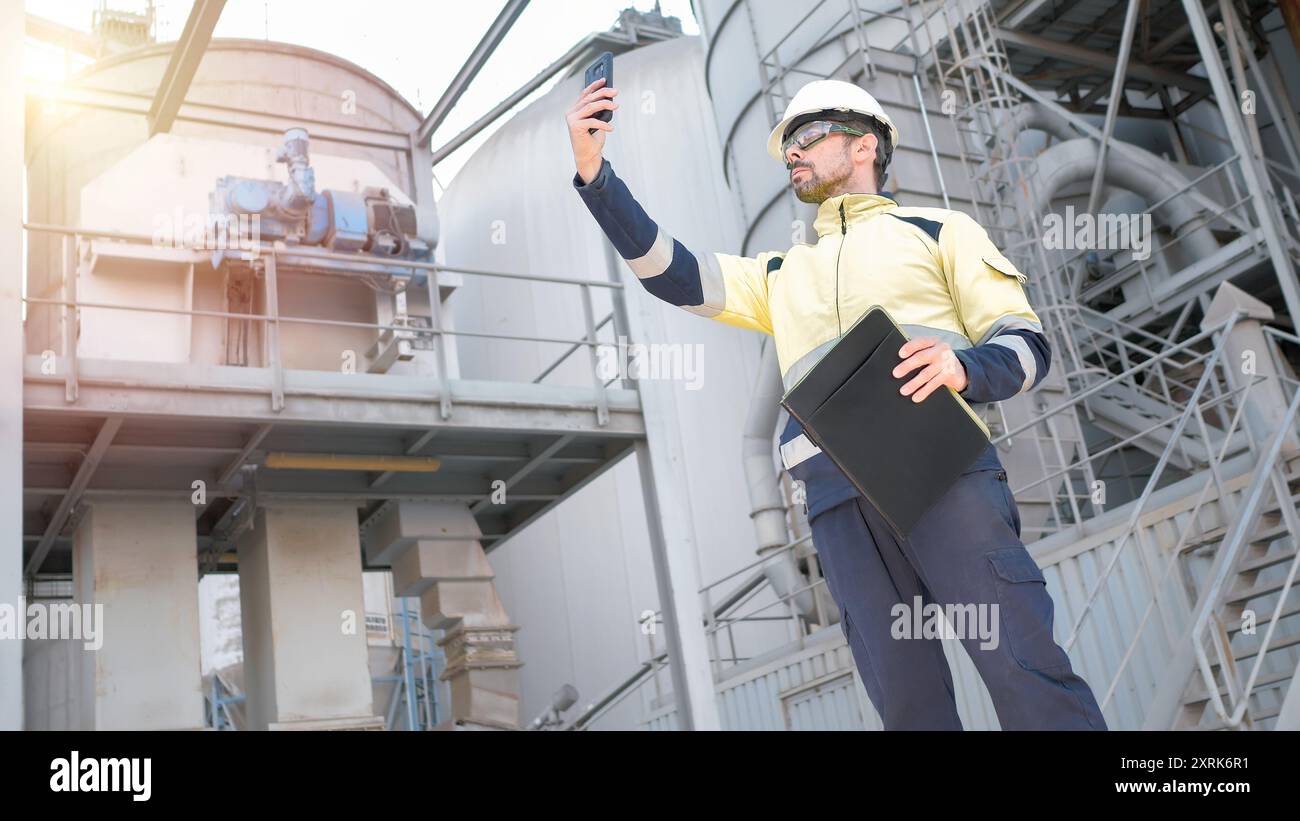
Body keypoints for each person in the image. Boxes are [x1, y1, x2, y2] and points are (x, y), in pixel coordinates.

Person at [566, 75, 1107, 730]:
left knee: (1023, 667)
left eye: (808, 135)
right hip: (836, 503)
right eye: (787, 145)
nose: (792, 152)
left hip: (941, 473)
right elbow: (671, 272)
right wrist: (595, 174)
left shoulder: (941, 231)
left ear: (864, 145)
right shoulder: (781, 274)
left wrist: (963, 366)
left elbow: (1027, 344)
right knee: (907, 705)